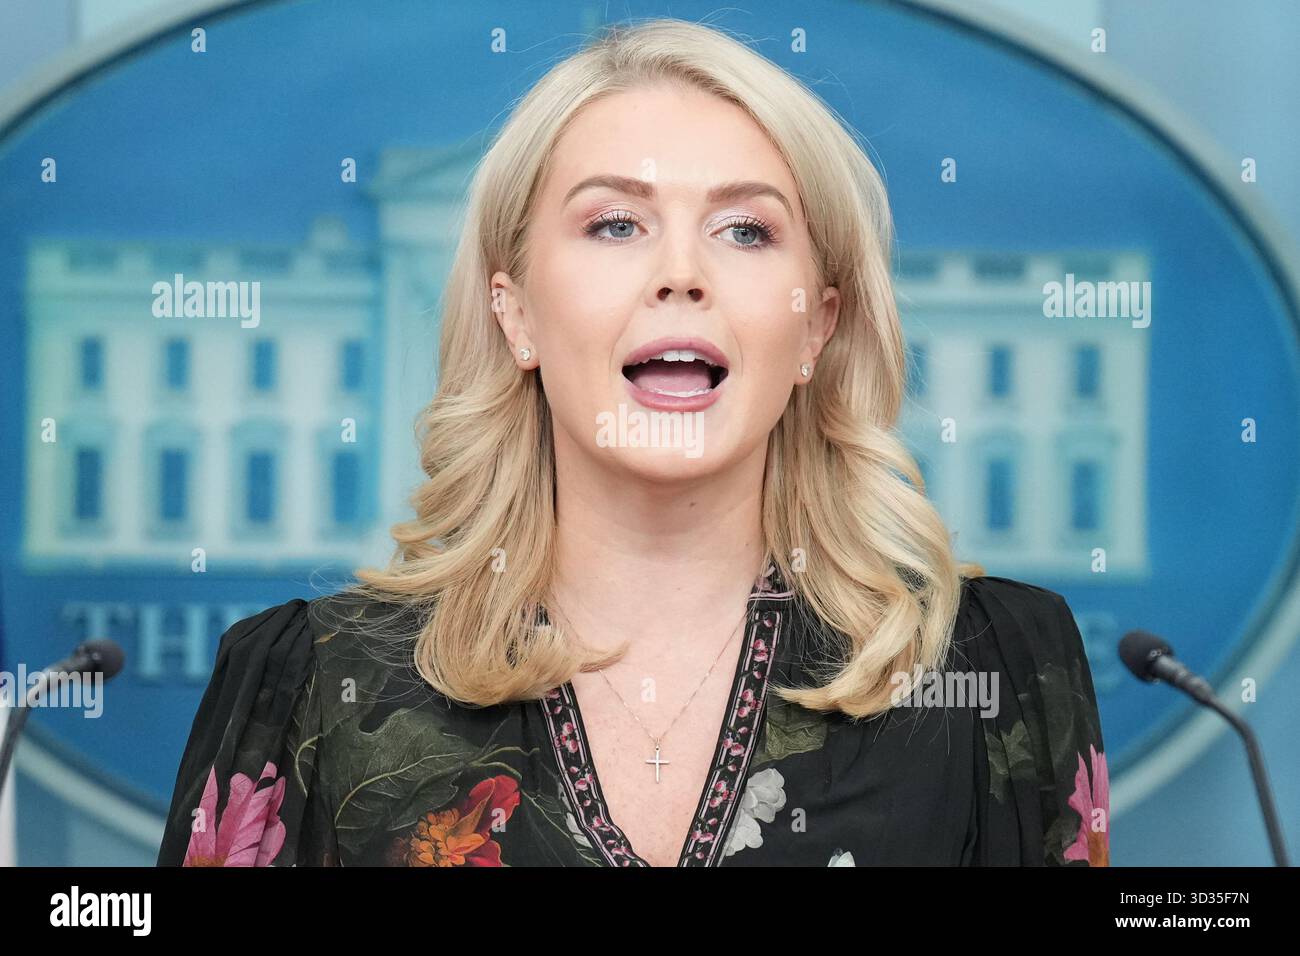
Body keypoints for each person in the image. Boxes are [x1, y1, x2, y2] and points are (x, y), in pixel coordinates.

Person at [156, 18, 1108, 868]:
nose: (682, 273)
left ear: (815, 328)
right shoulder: (311, 687)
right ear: (517, 311)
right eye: (616, 223)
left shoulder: (998, 672)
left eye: (744, 230)